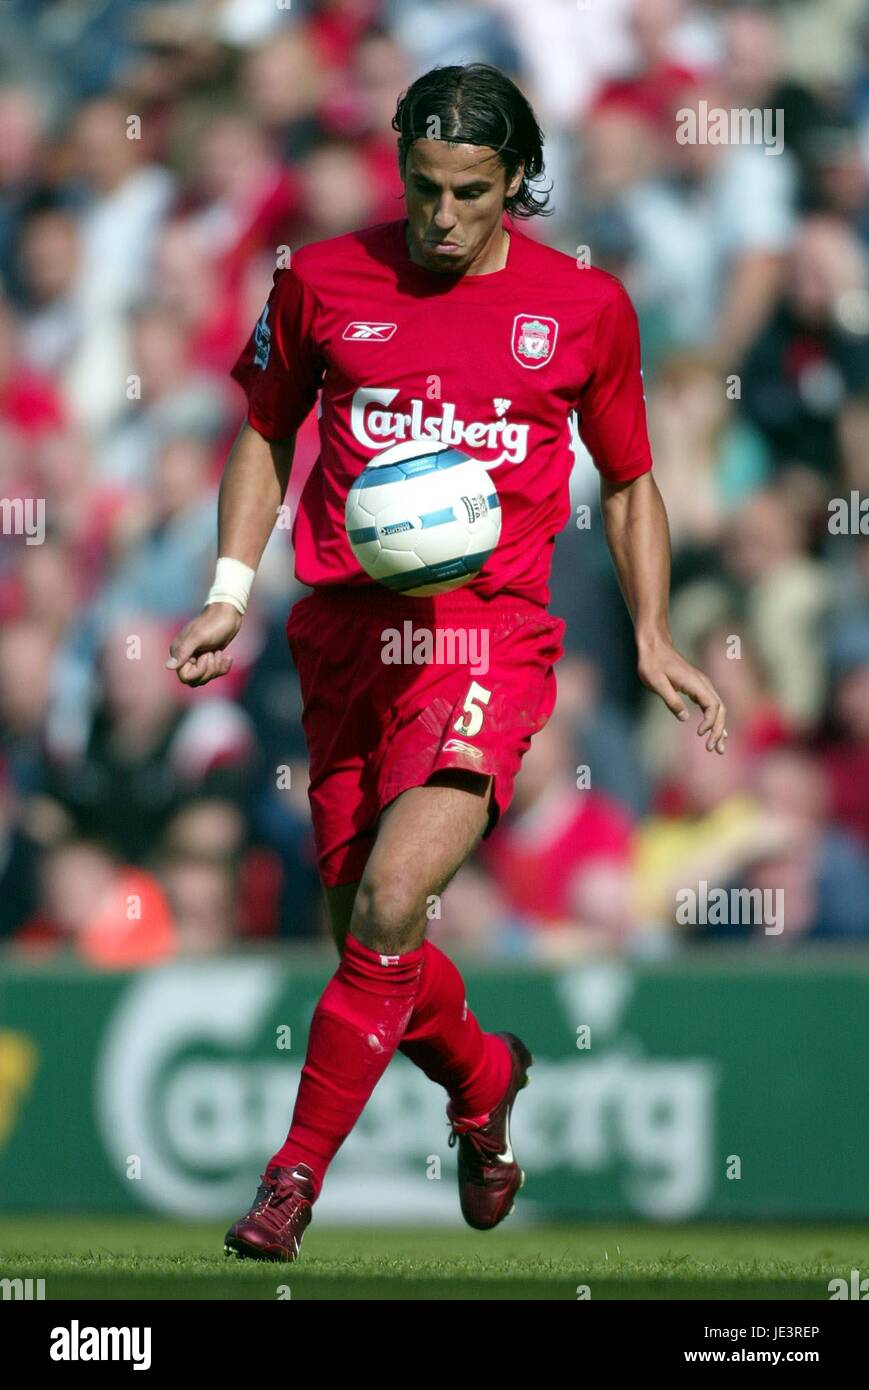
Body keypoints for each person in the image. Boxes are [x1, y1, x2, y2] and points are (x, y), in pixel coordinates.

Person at [168, 63, 727, 1262]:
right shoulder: (318, 278)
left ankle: (288, 1183)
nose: (439, 215)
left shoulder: (582, 306)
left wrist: (652, 634)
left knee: (385, 898)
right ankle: (484, 1084)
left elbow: (628, 484)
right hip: (344, 638)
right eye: (421, 186)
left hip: (487, 634)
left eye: (469, 191)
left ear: (516, 179)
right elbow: (264, 431)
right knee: (366, 936)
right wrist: (227, 590)